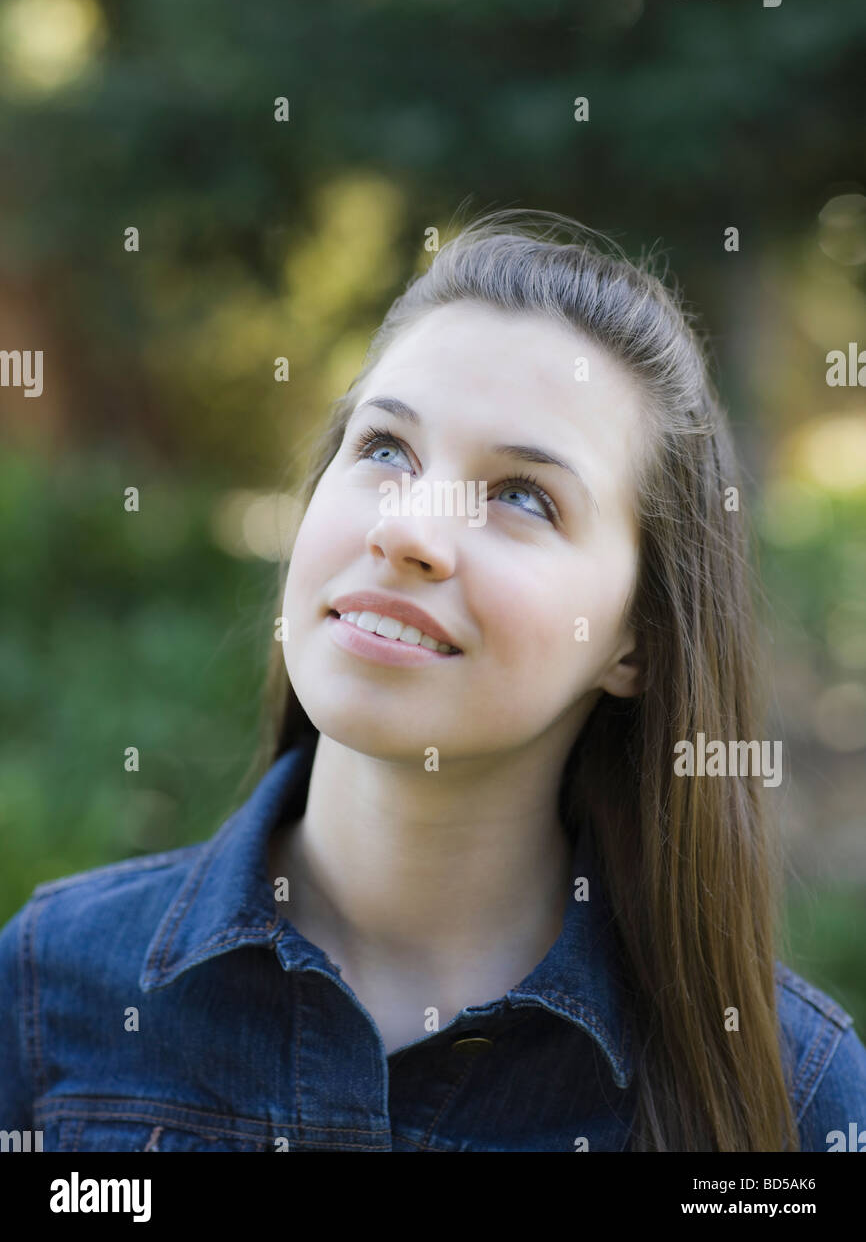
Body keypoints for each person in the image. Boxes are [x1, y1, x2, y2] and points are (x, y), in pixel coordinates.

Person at [1, 207, 864, 1152]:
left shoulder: (793, 1101)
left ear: (637, 642)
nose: (408, 530)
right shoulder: (48, 993)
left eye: (522, 497)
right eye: (384, 450)